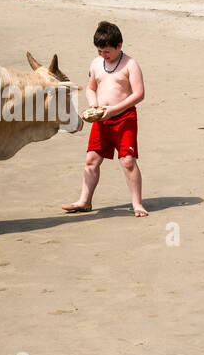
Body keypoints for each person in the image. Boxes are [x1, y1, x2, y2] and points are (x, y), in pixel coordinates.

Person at [61, 21, 147, 217]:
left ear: (119, 46)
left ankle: (137, 204)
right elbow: (91, 88)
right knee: (91, 159)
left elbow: (139, 94)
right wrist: (93, 104)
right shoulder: (96, 63)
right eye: (100, 51)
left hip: (124, 118)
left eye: (107, 51)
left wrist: (115, 109)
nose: (103, 55)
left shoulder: (130, 64)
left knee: (127, 161)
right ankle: (85, 200)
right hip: (101, 118)